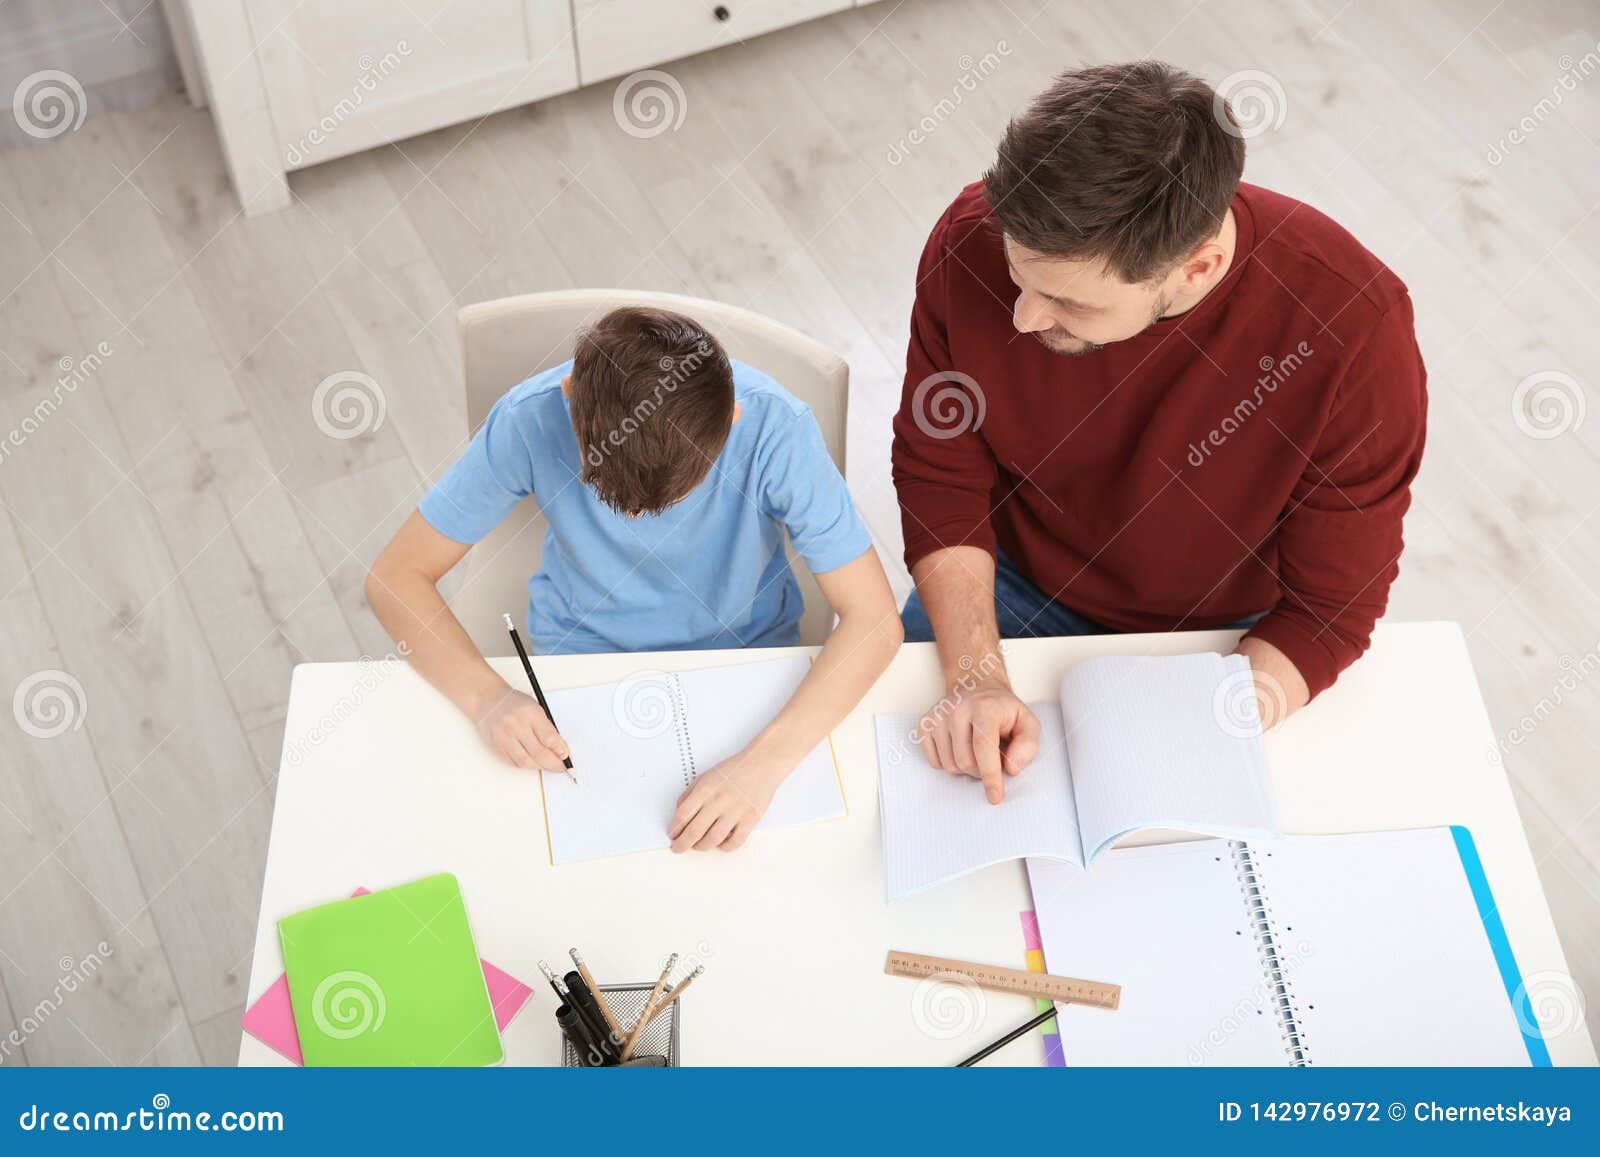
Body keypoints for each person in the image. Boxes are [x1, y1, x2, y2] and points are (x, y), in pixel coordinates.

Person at [892, 61, 1426, 802]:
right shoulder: (970, 235)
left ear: (1196, 268)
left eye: (1067, 301)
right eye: (1020, 276)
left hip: (1219, 633)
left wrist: (1201, 730)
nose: (1023, 317)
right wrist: (975, 676)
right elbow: (940, 471)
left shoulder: (1352, 326)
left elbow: (1329, 607)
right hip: (1008, 579)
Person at [368, 306, 901, 850]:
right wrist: (488, 701)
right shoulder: (527, 418)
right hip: (585, 658)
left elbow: (876, 621)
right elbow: (396, 577)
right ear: (570, 393)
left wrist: (763, 765)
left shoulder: (776, 429)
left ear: (731, 421)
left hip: (743, 659)